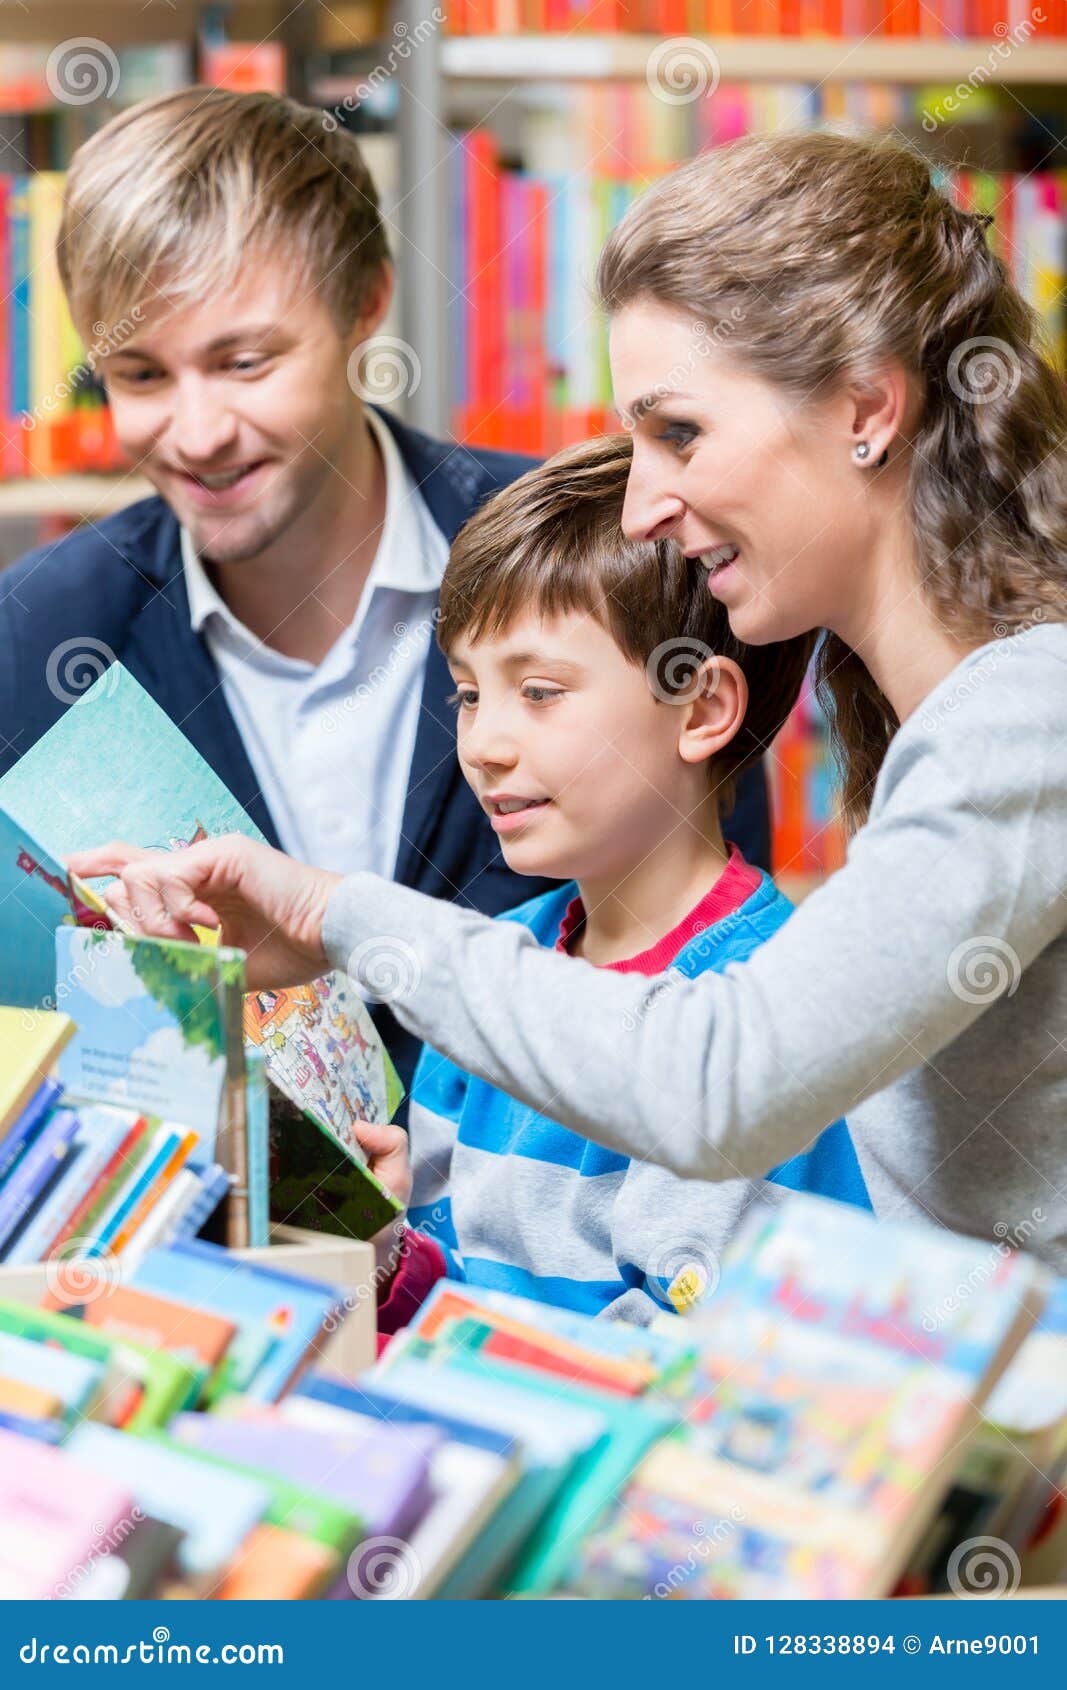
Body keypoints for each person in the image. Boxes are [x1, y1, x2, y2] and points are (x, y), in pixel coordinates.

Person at [70, 130, 1067, 1273]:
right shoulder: (935, 714)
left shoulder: (1019, 719)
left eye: (677, 431)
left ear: (865, 410)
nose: (642, 504)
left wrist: (329, 911)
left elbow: (720, 1082)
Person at [0, 82, 772, 1105]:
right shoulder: (40, 636)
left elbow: (714, 938)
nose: (195, 433)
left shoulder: (596, 553)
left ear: (366, 301)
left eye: (245, 361)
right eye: (140, 377)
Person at [356, 433, 869, 1328]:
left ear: (700, 708)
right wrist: (390, 1260)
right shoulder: (487, 969)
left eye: (541, 692)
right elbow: (462, 1294)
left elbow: (719, 1376)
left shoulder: (773, 1015)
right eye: (469, 694)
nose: (481, 744)